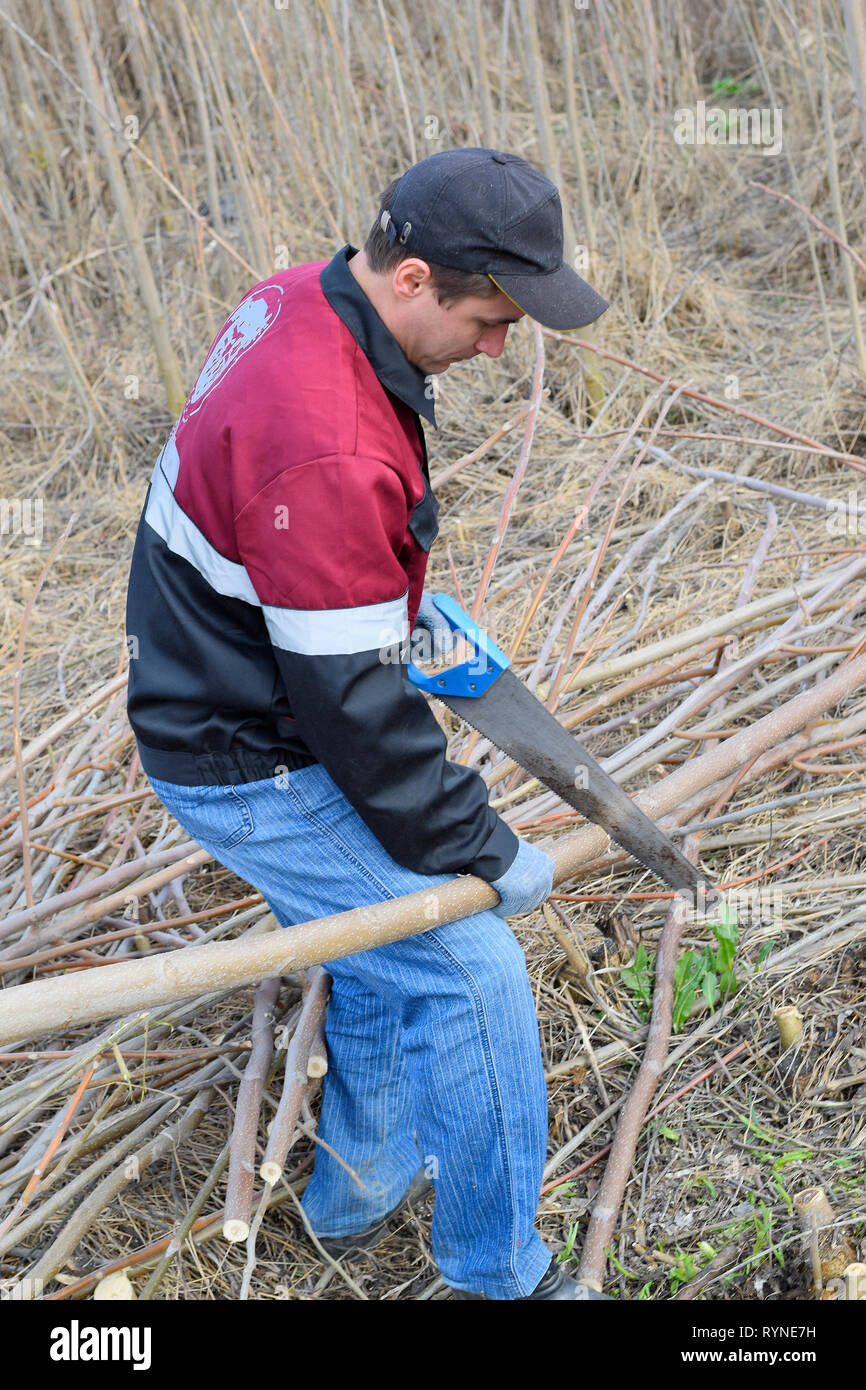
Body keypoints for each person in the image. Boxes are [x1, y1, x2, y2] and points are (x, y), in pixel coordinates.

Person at [125, 147, 610, 1300]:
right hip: (246, 751)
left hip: (249, 678)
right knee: (473, 967)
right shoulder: (327, 435)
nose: (498, 348)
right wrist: (485, 849)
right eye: (489, 319)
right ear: (412, 280)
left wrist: (389, 603)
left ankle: (351, 1195)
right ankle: (504, 1275)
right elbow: (357, 716)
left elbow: (275, 530)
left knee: (382, 953)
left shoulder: (300, 296)